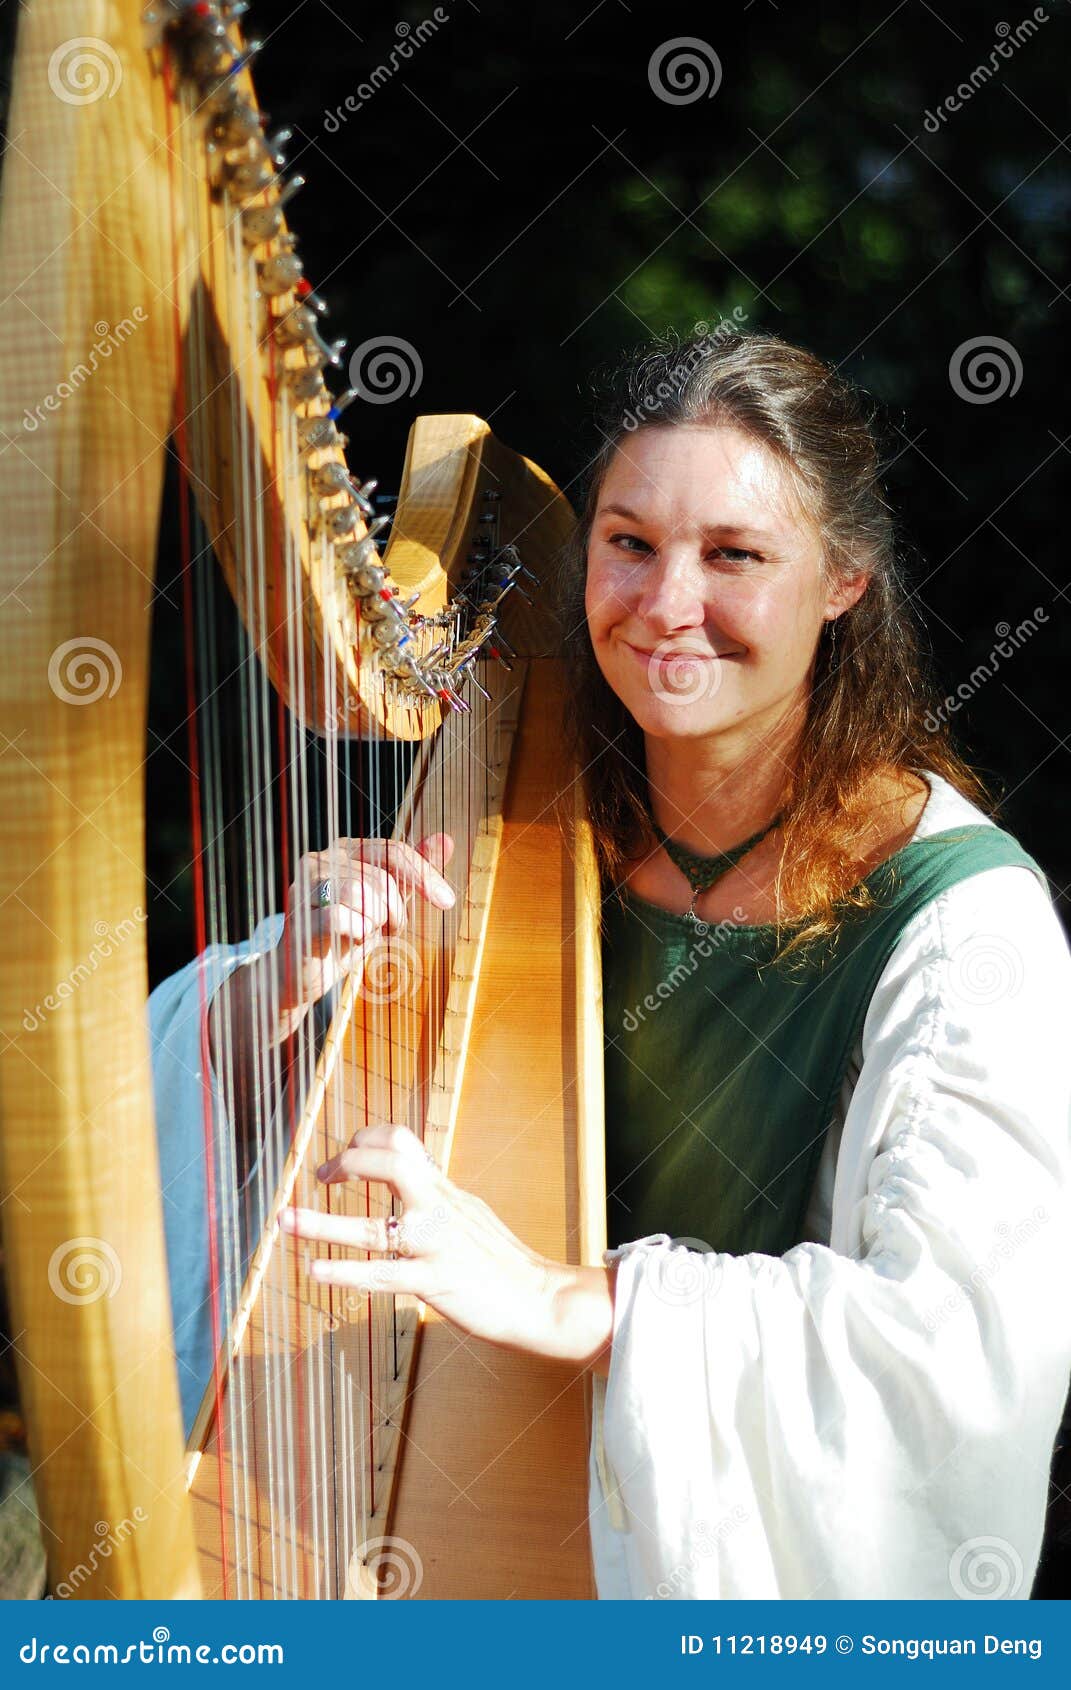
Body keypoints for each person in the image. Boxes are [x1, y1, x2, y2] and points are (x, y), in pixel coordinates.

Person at [156, 330, 1071, 1600]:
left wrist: (569, 1300)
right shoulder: (518, 808)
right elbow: (156, 1114)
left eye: (735, 555)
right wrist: (283, 986)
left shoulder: (965, 922)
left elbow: (953, 1356)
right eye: (630, 542)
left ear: (845, 577)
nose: (665, 604)